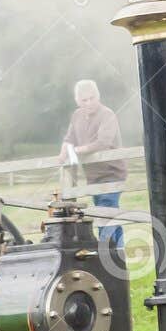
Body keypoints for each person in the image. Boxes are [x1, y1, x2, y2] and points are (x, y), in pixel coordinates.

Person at [61, 80, 127, 244]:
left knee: (104, 215)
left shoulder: (107, 114)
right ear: (77, 100)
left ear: (98, 96)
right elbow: (69, 139)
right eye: (84, 100)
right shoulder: (77, 116)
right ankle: (118, 258)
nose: (89, 102)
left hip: (111, 173)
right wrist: (64, 152)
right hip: (93, 177)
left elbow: (103, 142)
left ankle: (107, 256)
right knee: (108, 214)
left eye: (92, 98)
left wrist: (76, 151)